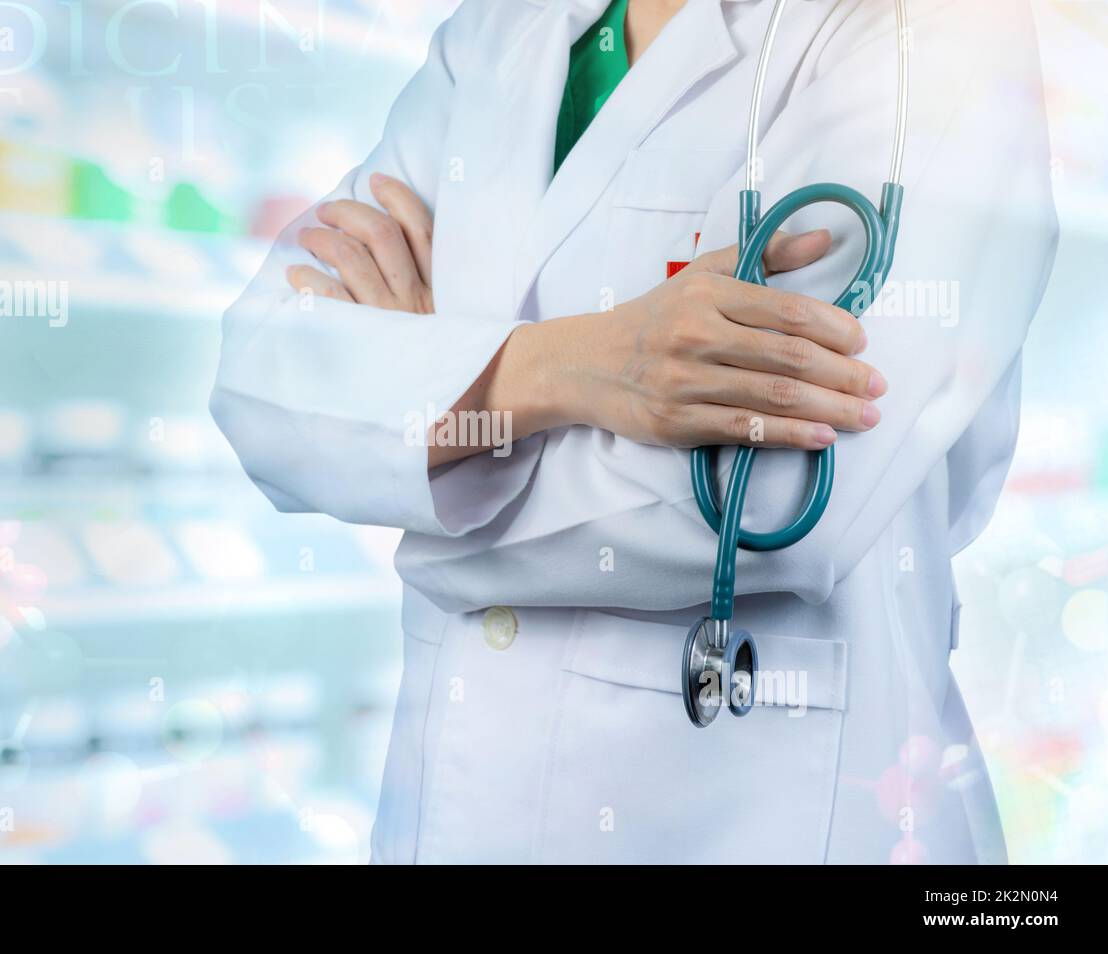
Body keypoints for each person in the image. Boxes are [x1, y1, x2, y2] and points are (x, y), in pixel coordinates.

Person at [211, 0, 1058, 863]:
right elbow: (263, 380)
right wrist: (569, 366)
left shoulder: (934, 32)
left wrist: (422, 443)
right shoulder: (501, 32)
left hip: (765, 819)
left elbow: (769, 505)